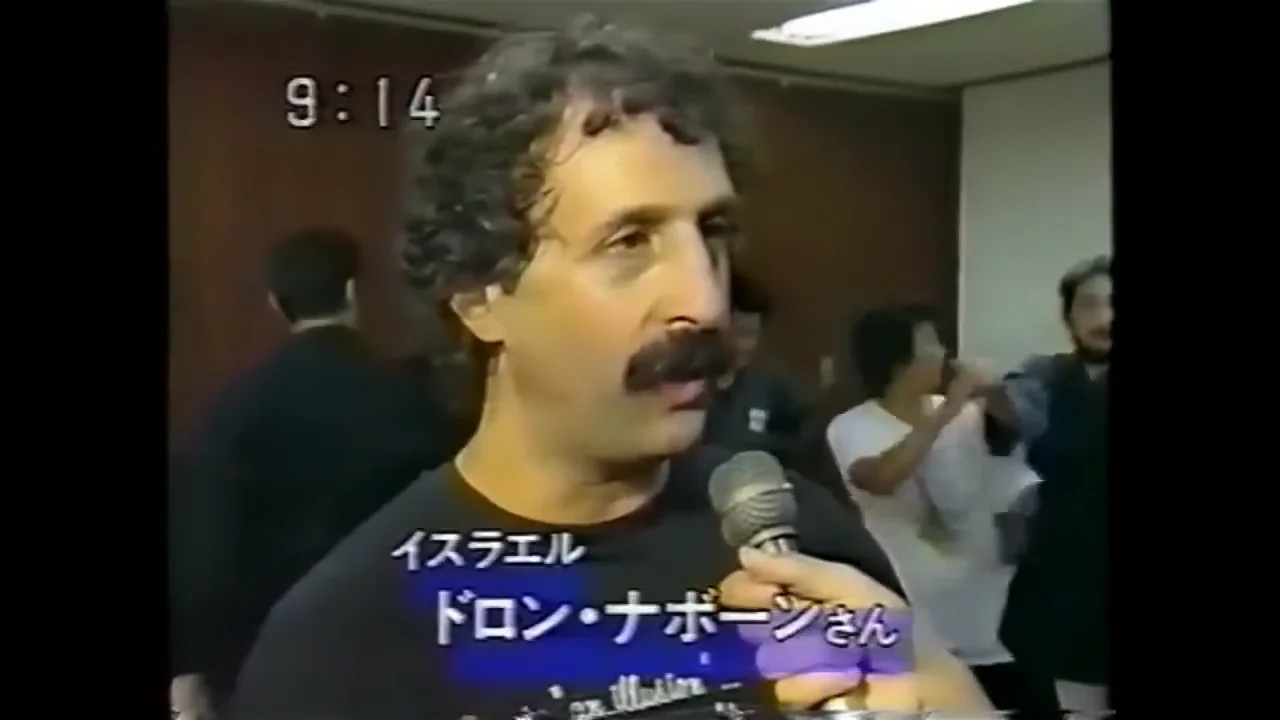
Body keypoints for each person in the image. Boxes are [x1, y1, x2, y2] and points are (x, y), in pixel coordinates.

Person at [229, 17, 992, 720]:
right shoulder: (344, 642)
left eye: (713, 233)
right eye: (629, 242)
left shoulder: (804, 538)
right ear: (480, 297)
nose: (706, 301)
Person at [168, 229, 456, 718]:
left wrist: (191, 668)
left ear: (276, 303)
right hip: (397, 653)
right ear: (353, 292)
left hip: (268, 659)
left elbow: (207, 553)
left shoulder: (236, 410)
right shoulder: (413, 404)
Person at [825, 306, 1058, 714]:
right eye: (931, 344)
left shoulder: (968, 414)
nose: (943, 353)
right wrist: (946, 410)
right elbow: (882, 478)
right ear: (899, 362)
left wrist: (991, 390)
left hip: (989, 616)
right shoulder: (851, 426)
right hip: (913, 617)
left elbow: (1021, 427)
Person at [993, 255, 1111, 717]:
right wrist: (985, 393)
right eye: (1090, 305)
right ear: (1069, 317)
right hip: (1061, 575)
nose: (1104, 318)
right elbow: (1011, 418)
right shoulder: (1043, 375)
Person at [702, 272, 807, 467]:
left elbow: (798, 453)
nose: (744, 345)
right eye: (738, 334)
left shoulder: (772, 392)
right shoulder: (687, 391)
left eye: (751, 335)